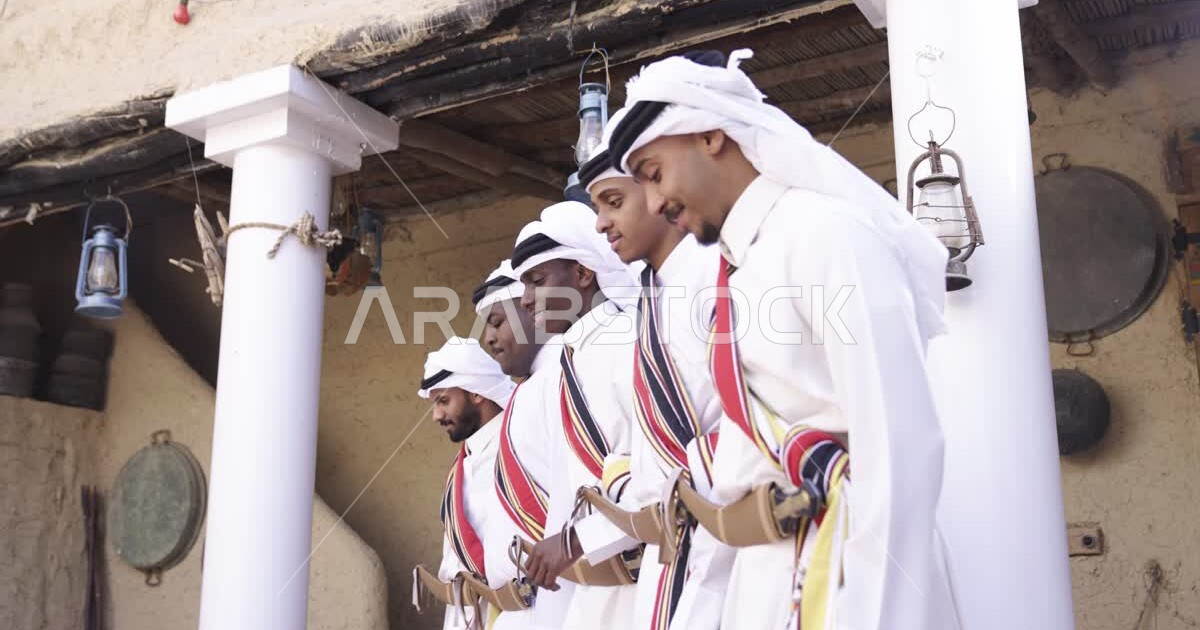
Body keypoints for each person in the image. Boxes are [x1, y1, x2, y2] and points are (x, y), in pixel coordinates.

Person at [607, 49, 960, 630]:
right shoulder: (734, 267)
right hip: (761, 578)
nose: (654, 203)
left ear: (710, 137)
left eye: (653, 173)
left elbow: (898, 446)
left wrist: (874, 609)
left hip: (841, 573)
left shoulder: (827, 233)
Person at [579, 139, 735, 630]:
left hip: (730, 542)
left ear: (655, 193)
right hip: (668, 548)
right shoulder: (651, 299)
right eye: (596, 209)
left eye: (614, 202)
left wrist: (683, 486)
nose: (601, 223)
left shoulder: (722, 275)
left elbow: (757, 416)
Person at [511, 201, 642, 630]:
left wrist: (576, 539)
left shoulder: (620, 341)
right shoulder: (578, 353)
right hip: (599, 577)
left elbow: (647, 465)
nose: (527, 301)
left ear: (584, 274)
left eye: (538, 280)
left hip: (638, 573)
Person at [473, 259, 576, 630]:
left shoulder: (561, 374)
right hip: (522, 610)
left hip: (557, 601)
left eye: (497, 322)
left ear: (530, 308)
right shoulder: (532, 386)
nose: (488, 338)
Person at [416, 336, 517, 630]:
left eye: (444, 401)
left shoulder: (516, 447)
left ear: (477, 394)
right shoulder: (463, 462)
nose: (436, 415)